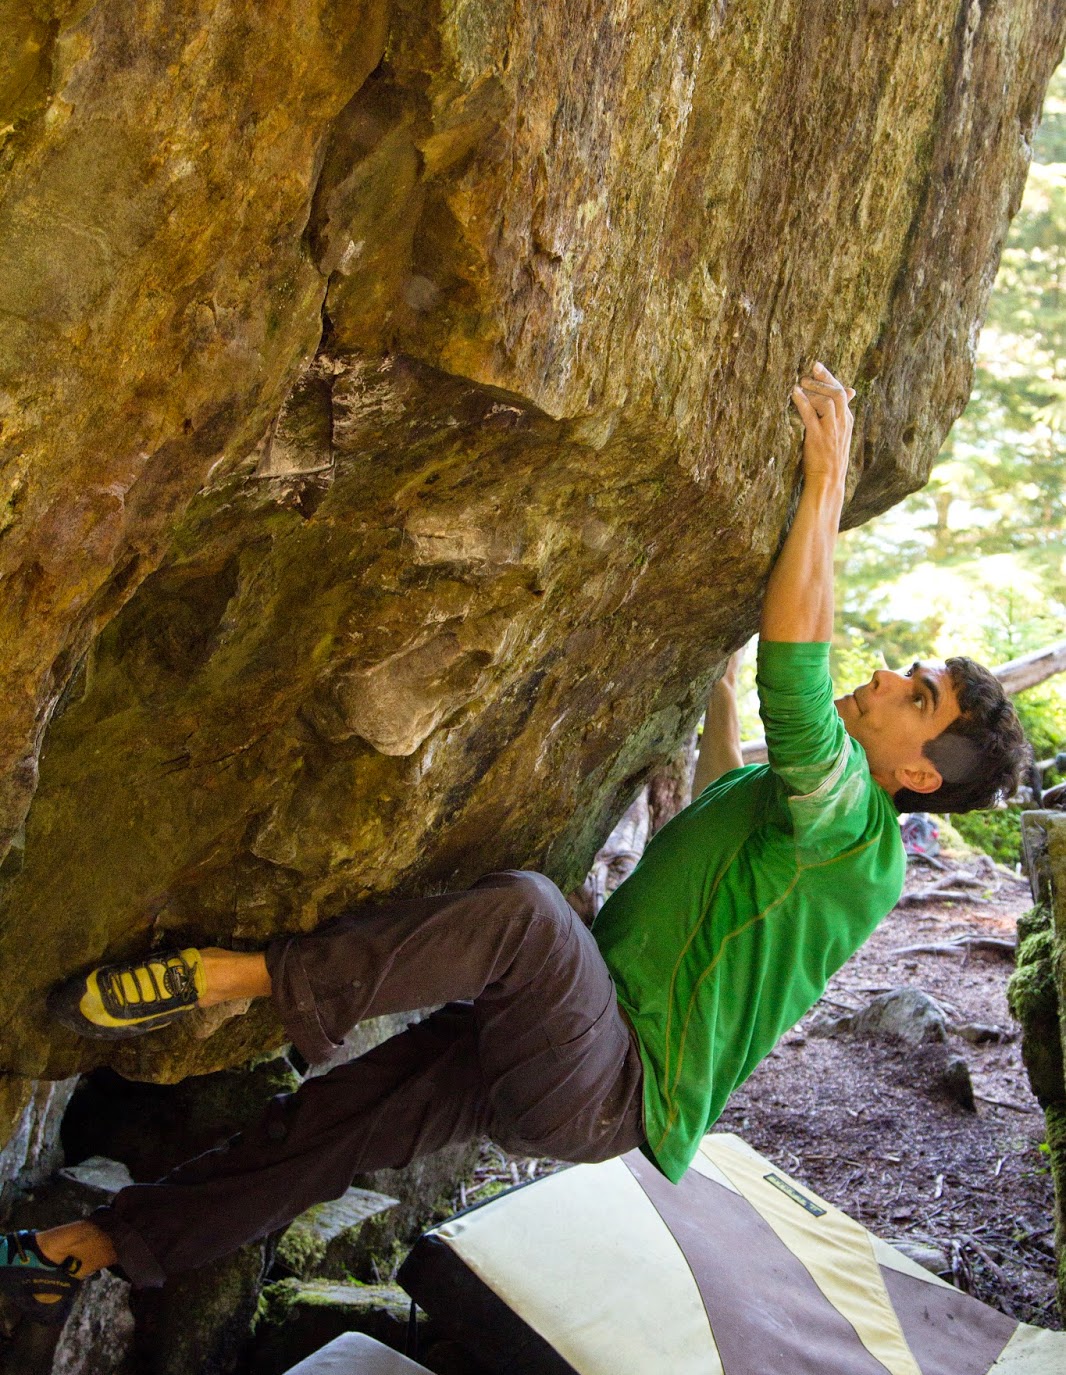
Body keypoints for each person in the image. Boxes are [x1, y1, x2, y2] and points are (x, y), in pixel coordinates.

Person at [0, 364, 1029, 1323]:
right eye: (908, 671)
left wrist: (826, 486)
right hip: (571, 1050)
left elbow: (797, 681)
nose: (888, 678)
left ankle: (237, 976)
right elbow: (731, 801)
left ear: (919, 775)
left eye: (916, 695)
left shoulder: (858, 833)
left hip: (607, 1077)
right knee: (331, 1125)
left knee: (528, 917)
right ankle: (98, 1246)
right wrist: (718, 700)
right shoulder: (820, 824)